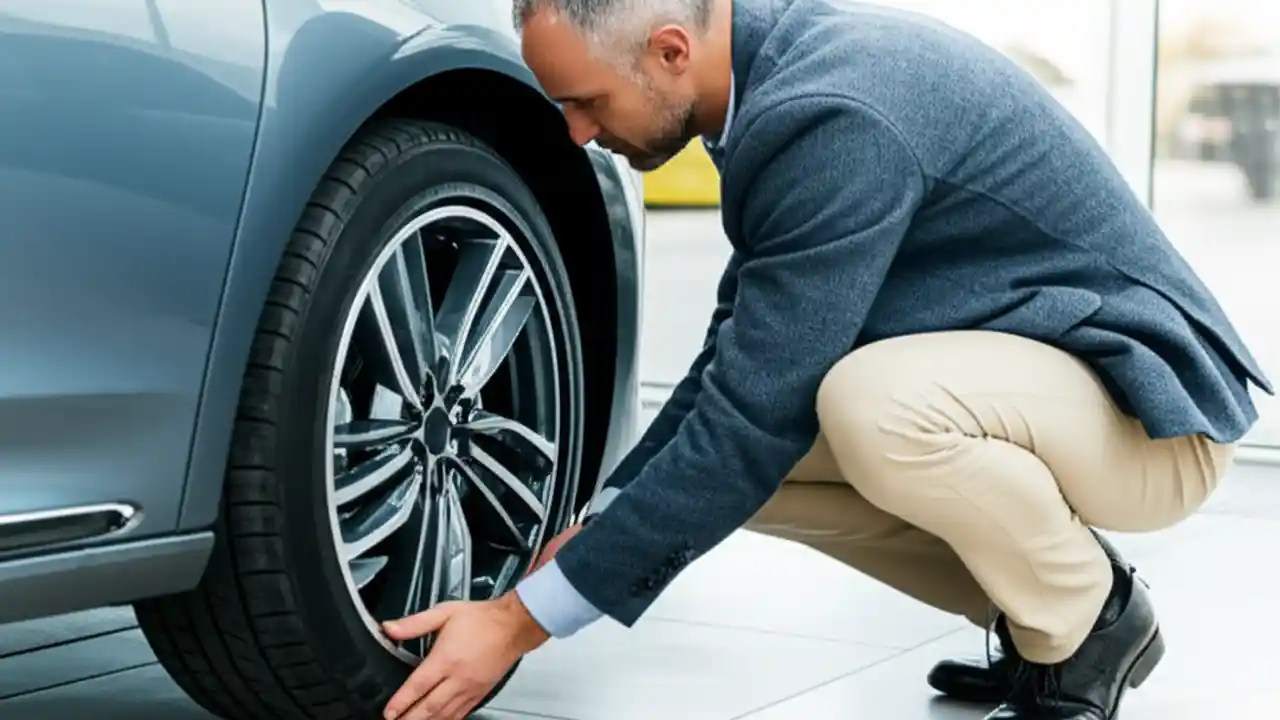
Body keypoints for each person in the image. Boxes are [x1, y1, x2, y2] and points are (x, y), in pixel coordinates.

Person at [378, 1, 1274, 718]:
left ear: (670, 51)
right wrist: (602, 526)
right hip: (1053, 385)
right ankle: (1050, 611)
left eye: (588, 101)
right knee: (743, 482)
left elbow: (750, 414)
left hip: (1150, 418)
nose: (576, 133)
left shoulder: (832, 113)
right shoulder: (776, 80)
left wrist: (520, 622)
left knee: (870, 407)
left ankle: (1088, 625)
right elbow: (733, 370)